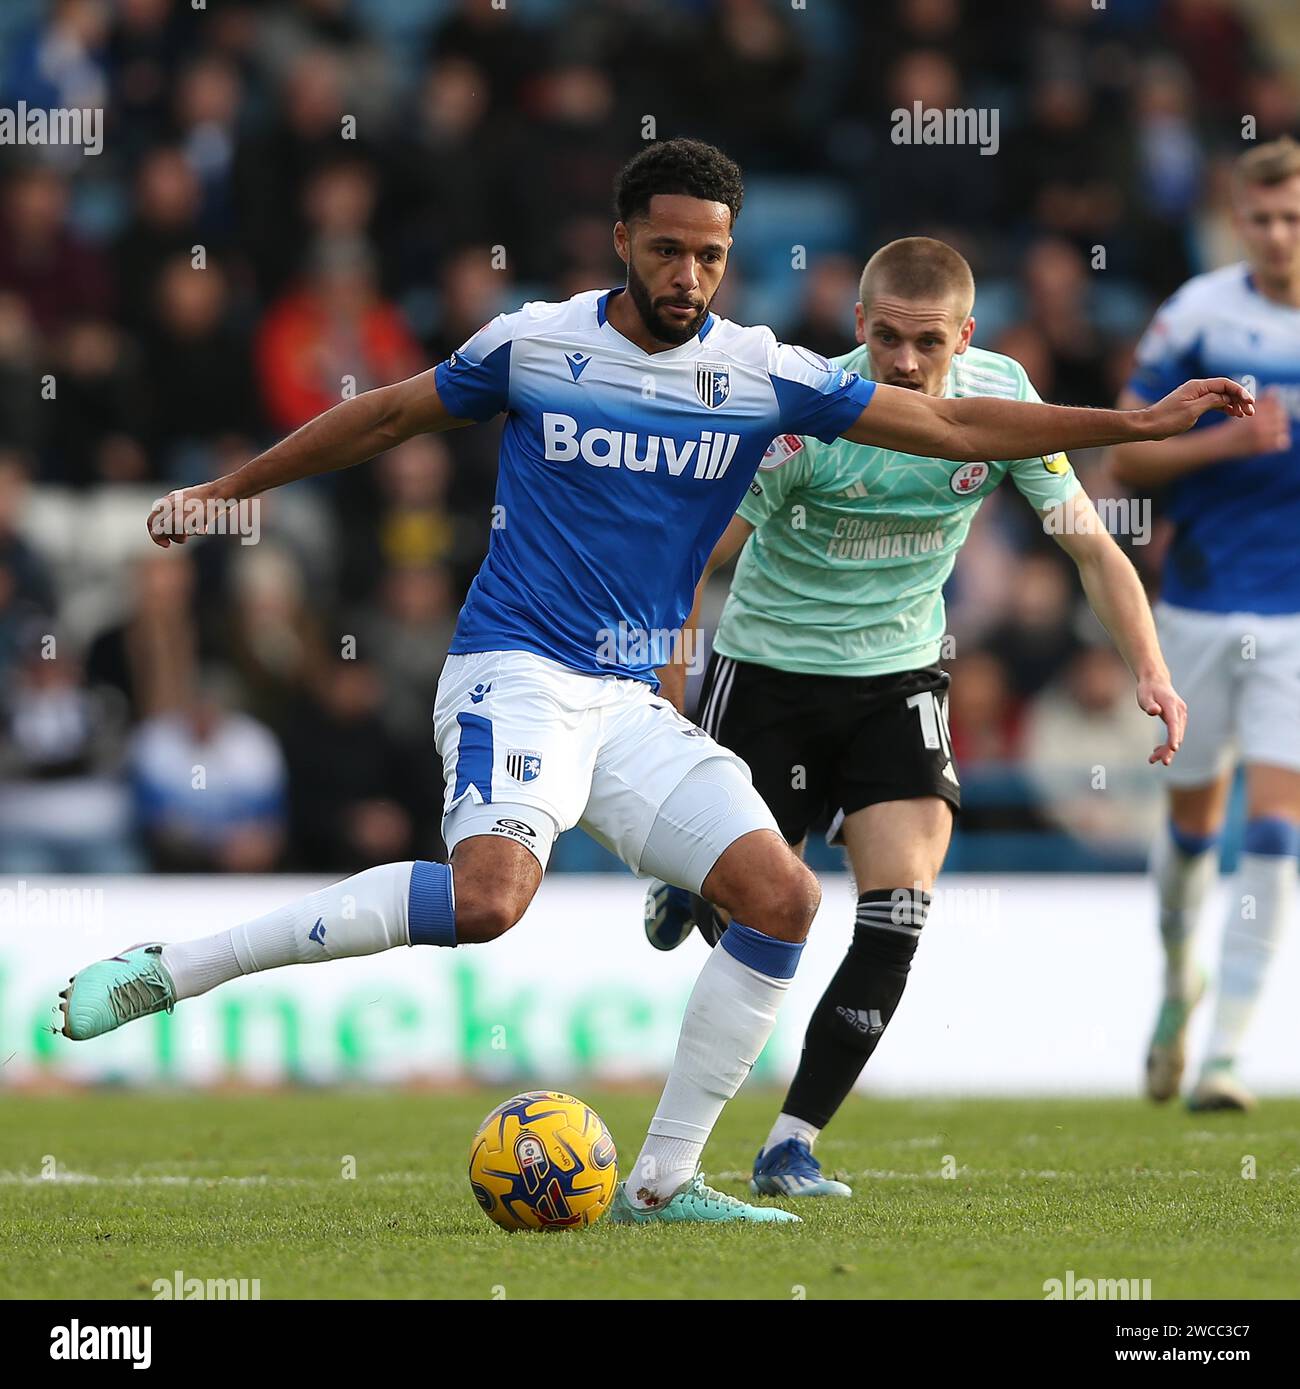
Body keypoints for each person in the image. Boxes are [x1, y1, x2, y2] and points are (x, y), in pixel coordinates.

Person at [59, 139, 1251, 1224]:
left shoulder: (760, 371)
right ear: (623, 242)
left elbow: (944, 432)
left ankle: (664, 1181)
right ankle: (176, 970)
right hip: (513, 672)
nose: (690, 274)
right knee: (489, 903)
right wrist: (230, 494)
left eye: (713, 255)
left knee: (783, 901)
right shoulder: (534, 344)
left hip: (628, 705)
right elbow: (379, 418)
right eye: (669, 248)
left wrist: (1134, 422)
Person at [646, 236, 1189, 1197]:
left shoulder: (1004, 396)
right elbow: (692, 562)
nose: (904, 362)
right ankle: (688, 878)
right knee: (760, 919)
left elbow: (1093, 551)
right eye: (886, 337)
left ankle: (792, 1143)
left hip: (899, 681)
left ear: (965, 337)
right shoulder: (809, 414)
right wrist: (666, 708)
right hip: (767, 677)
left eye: (927, 342)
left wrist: (1149, 668)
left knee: (897, 914)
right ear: (858, 326)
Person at [1108, 136, 1300, 1112]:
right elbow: (1124, 458)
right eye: (1259, 217)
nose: (1275, 235)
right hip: (1195, 601)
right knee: (1191, 827)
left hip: (1296, 621)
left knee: (1275, 824)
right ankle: (1178, 988)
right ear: (1235, 218)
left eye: (1291, 218)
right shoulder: (1198, 315)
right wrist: (1226, 443)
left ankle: (1224, 1055)